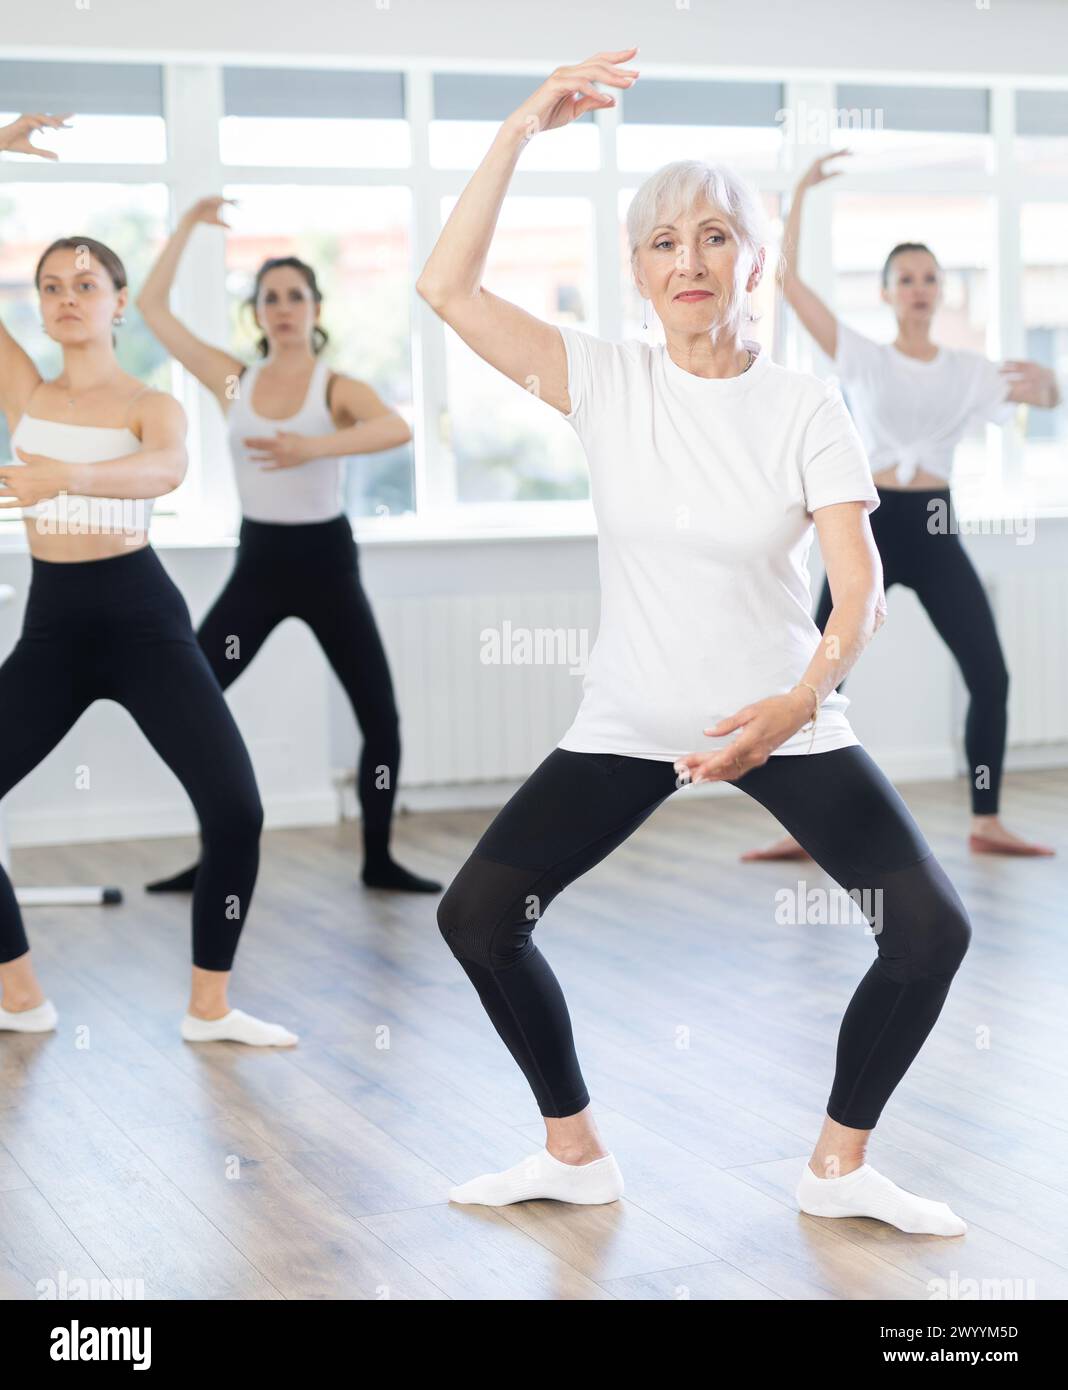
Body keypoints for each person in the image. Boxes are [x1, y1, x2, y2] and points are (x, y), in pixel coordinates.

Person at [419, 51, 972, 1236]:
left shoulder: (805, 404)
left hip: (780, 717)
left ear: (754, 263)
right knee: (476, 919)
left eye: (715, 237)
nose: (690, 260)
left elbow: (859, 588)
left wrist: (794, 702)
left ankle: (837, 1166)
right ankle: (574, 1150)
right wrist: (522, 125)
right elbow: (448, 290)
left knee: (931, 931)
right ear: (636, 271)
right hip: (627, 721)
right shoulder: (605, 381)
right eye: (665, 242)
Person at [0, 113, 294, 1046]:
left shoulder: (150, 402)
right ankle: (19, 995)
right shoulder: (26, 390)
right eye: (52, 287)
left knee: (237, 810)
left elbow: (163, 472)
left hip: (139, 618)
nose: (67, 297)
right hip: (54, 625)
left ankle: (211, 1007)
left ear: (119, 302)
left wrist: (66, 478)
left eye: (86, 283)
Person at [743, 150, 1062, 863]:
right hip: (872, 523)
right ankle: (801, 824)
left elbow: (1044, 398)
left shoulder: (971, 372)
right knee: (820, 672)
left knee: (990, 672)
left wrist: (1053, 385)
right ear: (886, 293)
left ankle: (986, 817)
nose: (918, 288)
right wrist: (798, 190)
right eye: (905, 279)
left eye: (928, 279)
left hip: (938, 523)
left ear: (941, 292)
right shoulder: (862, 357)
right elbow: (788, 283)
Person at [136, 197, 440, 895]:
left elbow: (395, 430)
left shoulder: (337, 386)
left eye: (295, 295)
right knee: (195, 697)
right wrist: (185, 226)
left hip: (327, 565)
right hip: (261, 565)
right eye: (269, 297)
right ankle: (219, 850)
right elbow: (153, 310)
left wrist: (314, 445)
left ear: (315, 306)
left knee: (380, 719)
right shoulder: (233, 379)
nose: (282, 307)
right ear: (258, 312)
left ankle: (378, 859)